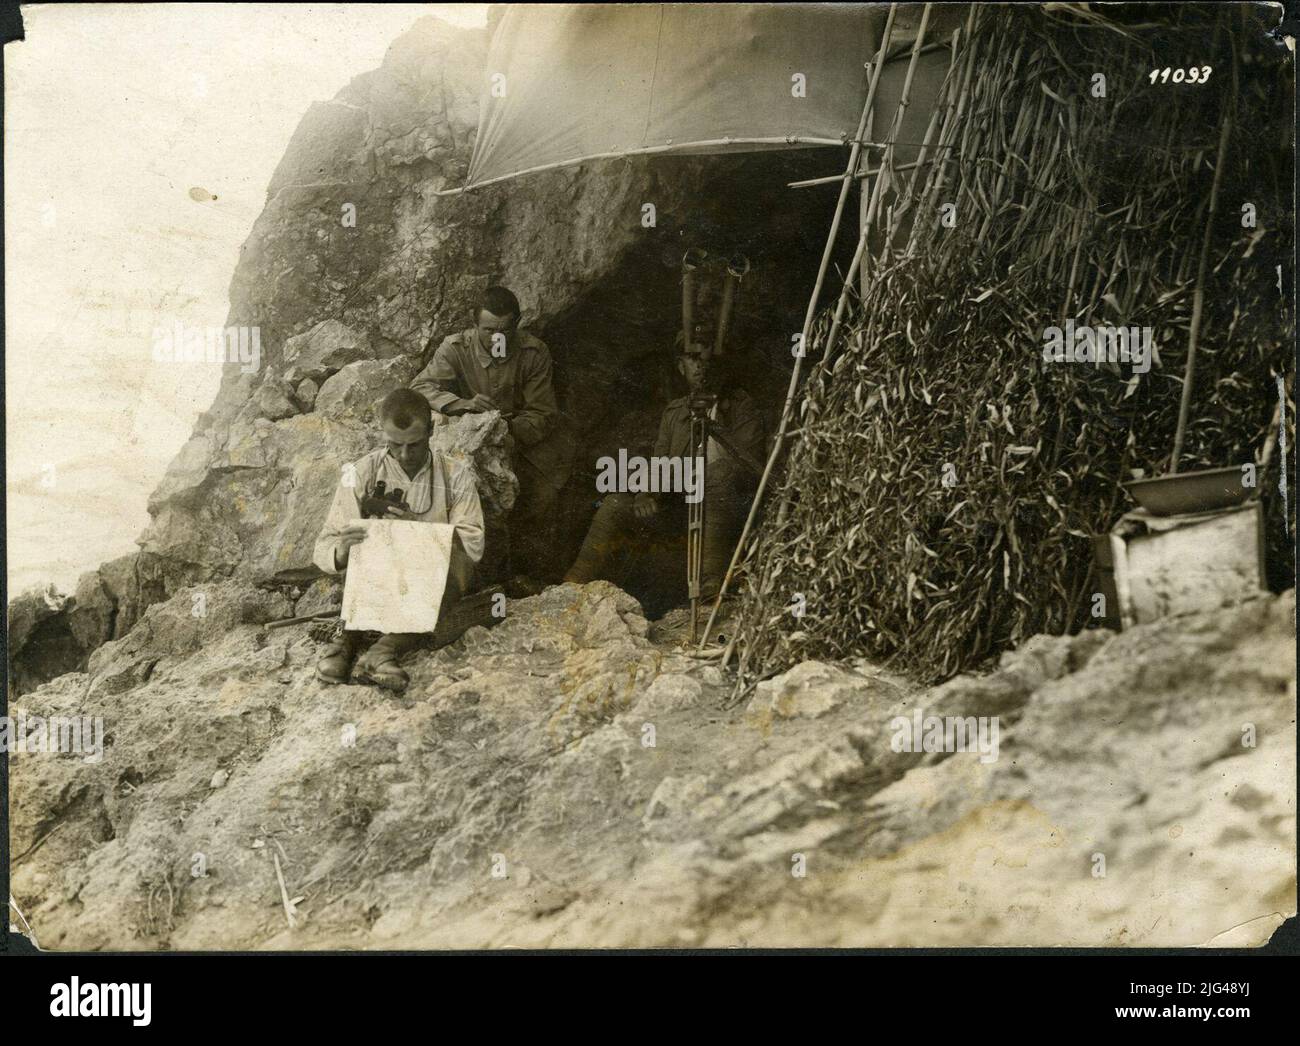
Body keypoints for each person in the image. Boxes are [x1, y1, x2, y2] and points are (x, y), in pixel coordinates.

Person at [564, 327, 766, 611]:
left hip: (727, 510)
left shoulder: (740, 405)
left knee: (717, 473)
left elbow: (752, 467)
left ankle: (710, 584)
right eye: (691, 358)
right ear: (681, 366)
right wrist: (647, 494)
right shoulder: (675, 413)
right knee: (615, 503)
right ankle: (572, 584)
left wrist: (714, 425)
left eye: (705, 356)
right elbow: (661, 464)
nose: (699, 365)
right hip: (683, 510)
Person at [312, 388, 484, 691]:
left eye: (414, 445)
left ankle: (384, 651)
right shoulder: (361, 472)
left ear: (432, 430)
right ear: (383, 433)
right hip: (376, 581)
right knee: (365, 539)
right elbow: (324, 546)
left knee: (453, 561)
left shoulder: (456, 476)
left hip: (430, 582)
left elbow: (472, 548)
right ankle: (347, 642)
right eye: (394, 445)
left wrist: (417, 532)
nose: (404, 455)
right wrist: (341, 549)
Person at [411, 286, 573, 586]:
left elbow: (543, 413)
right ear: (475, 326)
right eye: (488, 330)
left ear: (517, 324)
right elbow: (421, 388)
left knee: (541, 499)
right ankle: (483, 581)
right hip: (473, 436)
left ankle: (532, 579)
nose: (496, 338)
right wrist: (463, 405)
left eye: (505, 330)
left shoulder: (533, 352)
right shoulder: (456, 347)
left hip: (522, 438)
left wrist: (507, 432)